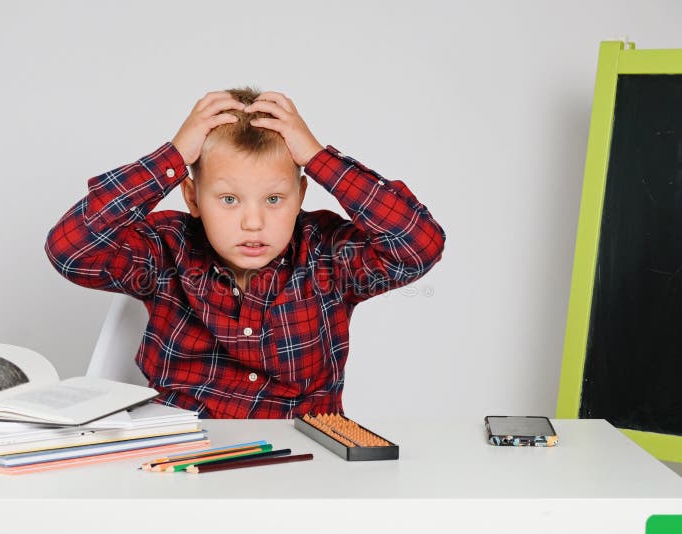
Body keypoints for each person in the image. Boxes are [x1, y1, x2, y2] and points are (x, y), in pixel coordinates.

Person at [45, 87, 446, 418]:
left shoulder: (328, 253)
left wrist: (319, 159)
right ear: (193, 198)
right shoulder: (166, 249)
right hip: (186, 446)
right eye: (229, 199)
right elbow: (70, 249)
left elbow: (419, 245)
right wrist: (173, 158)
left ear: (300, 195)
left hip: (303, 452)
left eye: (273, 198)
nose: (253, 222)